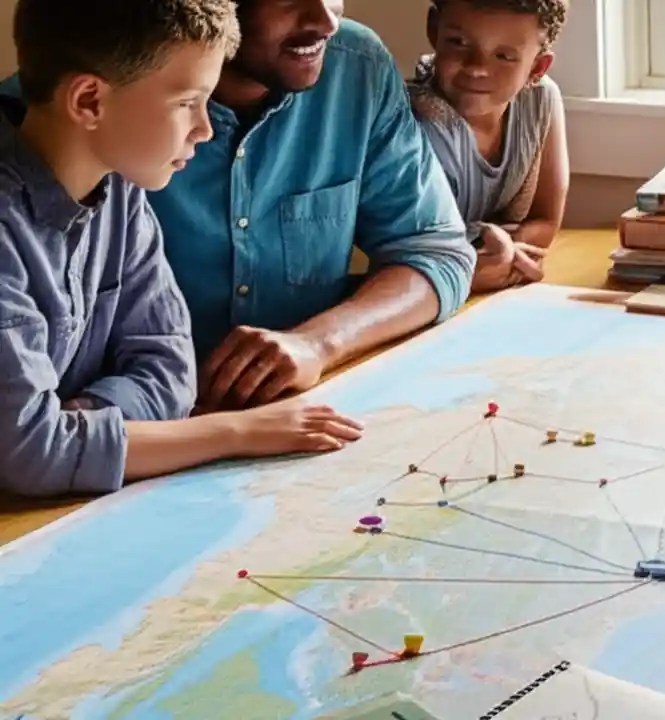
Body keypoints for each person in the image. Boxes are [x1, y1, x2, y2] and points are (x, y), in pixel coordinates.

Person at [3, 0, 478, 411]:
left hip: (289, 416)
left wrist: (318, 343)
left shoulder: (357, 67)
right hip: (114, 449)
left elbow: (436, 253)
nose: (325, 21)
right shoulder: (83, 115)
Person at [0, 0, 364, 498]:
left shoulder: (121, 190)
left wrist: (75, 430)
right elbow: (32, 455)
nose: (205, 129)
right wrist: (236, 432)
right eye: (187, 103)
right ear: (89, 101)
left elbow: (171, 371)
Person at [409, 0, 570, 293]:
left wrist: (504, 254)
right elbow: (414, 250)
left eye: (504, 56)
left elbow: (545, 219)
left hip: (489, 290)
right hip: (422, 293)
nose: (477, 68)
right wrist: (489, 257)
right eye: (458, 43)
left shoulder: (540, 100)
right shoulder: (411, 121)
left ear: (537, 67)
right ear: (434, 30)